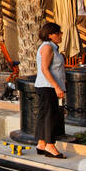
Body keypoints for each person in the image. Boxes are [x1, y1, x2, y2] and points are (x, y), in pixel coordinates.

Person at [33, 21, 67, 158]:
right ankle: (50, 146)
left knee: (44, 115)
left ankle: (41, 143)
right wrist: (57, 87)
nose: (61, 35)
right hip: (48, 87)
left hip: (46, 86)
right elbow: (44, 69)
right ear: (50, 35)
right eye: (59, 33)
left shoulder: (52, 47)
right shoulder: (47, 47)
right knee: (50, 116)